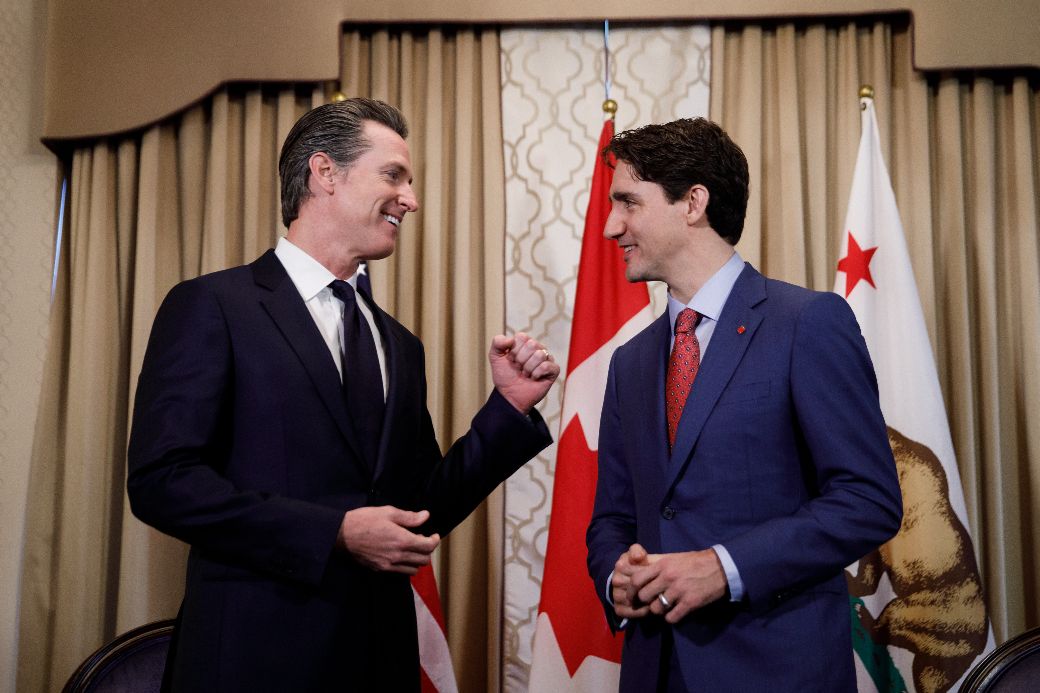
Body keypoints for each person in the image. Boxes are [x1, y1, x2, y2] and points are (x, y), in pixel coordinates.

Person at [127, 97, 560, 692]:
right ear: (324, 173)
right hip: (253, 664)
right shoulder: (213, 306)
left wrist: (508, 408)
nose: (411, 199)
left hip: (378, 664)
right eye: (394, 176)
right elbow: (162, 482)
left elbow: (417, 510)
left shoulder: (399, 345)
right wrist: (333, 532)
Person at [585, 117, 902, 691]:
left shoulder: (807, 323)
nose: (611, 227)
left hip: (777, 669)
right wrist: (617, 578)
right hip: (657, 671)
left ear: (693, 202)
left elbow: (868, 500)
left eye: (628, 203)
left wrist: (724, 567)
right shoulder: (630, 362)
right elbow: (612, 516)